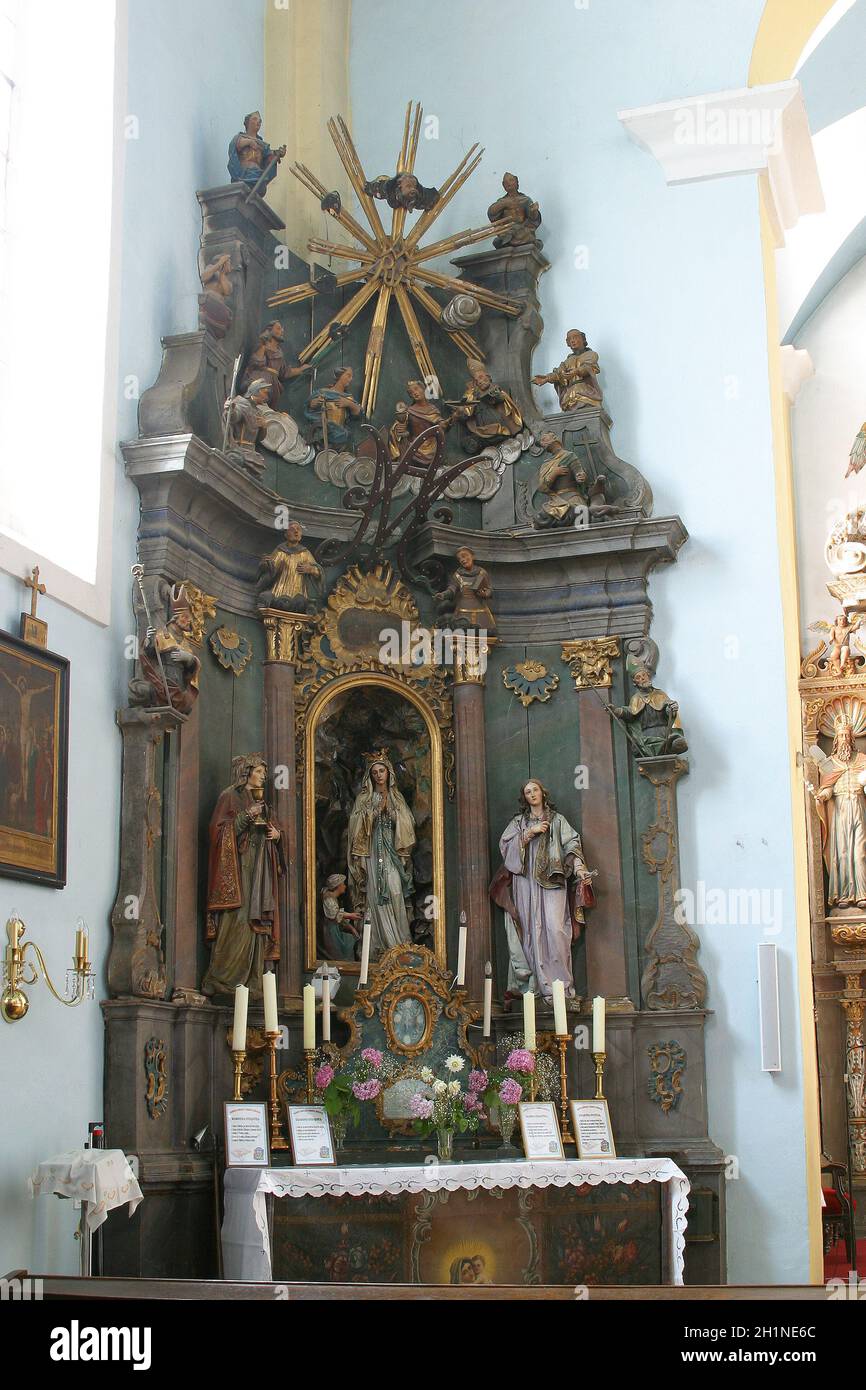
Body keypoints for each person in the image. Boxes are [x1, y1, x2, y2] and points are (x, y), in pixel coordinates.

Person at [491, 778, 594, 1002]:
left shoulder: (558, 821)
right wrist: (529, 833)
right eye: (528, 792)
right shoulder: (519, 823)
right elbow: (505, 846)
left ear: (542, 793)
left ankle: (560, 988)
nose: (532, 794)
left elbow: (572, 844)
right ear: (525, 798)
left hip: (552, 881)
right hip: (525, 882)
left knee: (556, 929)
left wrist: (579, 869)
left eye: (535, 790)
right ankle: (534, 986)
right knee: (529, 931)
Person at [203, 754, 282, 996]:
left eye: (264, 773)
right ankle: (222, 979)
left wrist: (277, 836)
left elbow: (277, 832)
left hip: (259, 870)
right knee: (237, 920)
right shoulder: (230, 796)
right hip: (237, 871)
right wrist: (247, 815)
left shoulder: (265, 806)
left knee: (256, 924)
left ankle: (252, 981)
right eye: (259, 771)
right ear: (247, 772)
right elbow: (218, 832)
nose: (263, 777)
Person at [347, 754, 416, 958]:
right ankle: (376, 946)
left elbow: (408, 823)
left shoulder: (397, 797)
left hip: (391, 852)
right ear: (370, 775)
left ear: (389, 773)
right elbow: (354, 826)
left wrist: (394, 815)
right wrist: (373, 813)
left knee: (395, 889)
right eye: (375, 772)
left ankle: (399, 944)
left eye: (382, 771)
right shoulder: (364, 798)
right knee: (374, 894)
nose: (378, 775)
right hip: (371, 852)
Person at [817, 714, 866, 908]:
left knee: (860, 851)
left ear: (852, 739)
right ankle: (843, 895)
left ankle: (862, 892)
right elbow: (828, 786)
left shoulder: (862, 759)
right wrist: (823, 795)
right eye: (841, 736)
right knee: (843, 852)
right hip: (840, 809)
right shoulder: (830, 763)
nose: (844, 739)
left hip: (859, 805)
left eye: (847, 736)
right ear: (836, 740)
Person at [256, 520, 322, 613]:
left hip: (298, 594)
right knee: (265, 597)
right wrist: (265, 564)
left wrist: (311, 570)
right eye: (292, 529)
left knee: (303, 602)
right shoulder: (280, 551)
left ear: (301, 535)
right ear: (286, 535)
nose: (296, 532)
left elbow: (318, 572)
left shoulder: (305, 553)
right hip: (277, 593)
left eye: (298, 529)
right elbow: (271, 569)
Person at [533, 329, 602, 411]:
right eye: (569, 339)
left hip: (586, 393)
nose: (572, 340)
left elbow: (588, 367)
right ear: (568, 343)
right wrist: (546, 378)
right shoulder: (567, 361)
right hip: (569, 396)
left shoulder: (591, 355)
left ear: (583, 339)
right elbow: (558, 374)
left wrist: (576, 371)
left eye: (575, 337)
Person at [435, 547, 497, 635]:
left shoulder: (482, 573)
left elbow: (490, 589)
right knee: (461, 631)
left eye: (464, 556)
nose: (462, 560)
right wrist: (443, 595)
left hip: (480, 609)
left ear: (473, 556)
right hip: (462, 611)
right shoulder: (457, 575)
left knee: (483, 633)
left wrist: (485, 594)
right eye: (460, 559)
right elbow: (452, 589)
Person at [227, 111, 285, 194]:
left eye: (260, 121)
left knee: (260, 190)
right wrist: (249, 142)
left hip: (257, 176)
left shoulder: (262, 144)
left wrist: (278, 153)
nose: (258, 122)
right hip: (244, 174)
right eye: (255, 119)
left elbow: (269, 156)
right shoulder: (240, 137)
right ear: (247, 122)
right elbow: (235, 144)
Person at [306, 366, 363, 450]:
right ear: (340, 375)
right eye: (348, 375)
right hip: (324, 436)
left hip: (340, 437)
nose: (351, 379)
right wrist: (312, 403)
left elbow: (358, 414)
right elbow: (309, 407)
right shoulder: (323, 392)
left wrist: (349, 404)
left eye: (351, 376)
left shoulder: (348, 397)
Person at [487, 172, 541, 248]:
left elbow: (533, 219)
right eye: (505, 182)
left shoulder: (525, 199)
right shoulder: (501, 201)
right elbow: (491, 214)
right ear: (503, 185)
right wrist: (504, 203)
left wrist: (534, 211)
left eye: (511, 180)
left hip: (522, 231)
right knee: (498, 241)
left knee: (529, 238)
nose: (508, 183)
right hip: (507, 233)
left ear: (516, 182)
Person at [320, 873, 362, 960]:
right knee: (345, 947)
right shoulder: (328, 899)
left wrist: (351, 928)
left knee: (350, 939)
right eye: (343, 884)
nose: (345, 886)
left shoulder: (333, 899)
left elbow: (340, 918)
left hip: (335, 930)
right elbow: (335, 914)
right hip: (331, 932)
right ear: (338, 886)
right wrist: (350, 915)